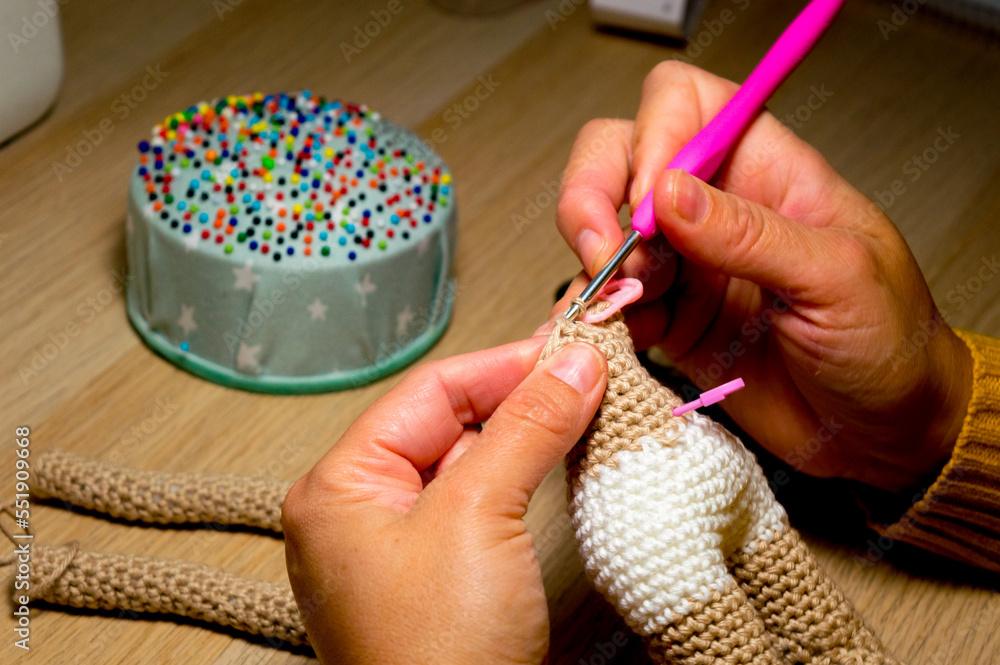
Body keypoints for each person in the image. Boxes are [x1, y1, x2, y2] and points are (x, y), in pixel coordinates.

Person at [281, 62, 1000, 664]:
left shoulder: (622, 497)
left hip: (677, 506)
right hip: (715, 469)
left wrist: (931, 413)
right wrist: (929, 419)